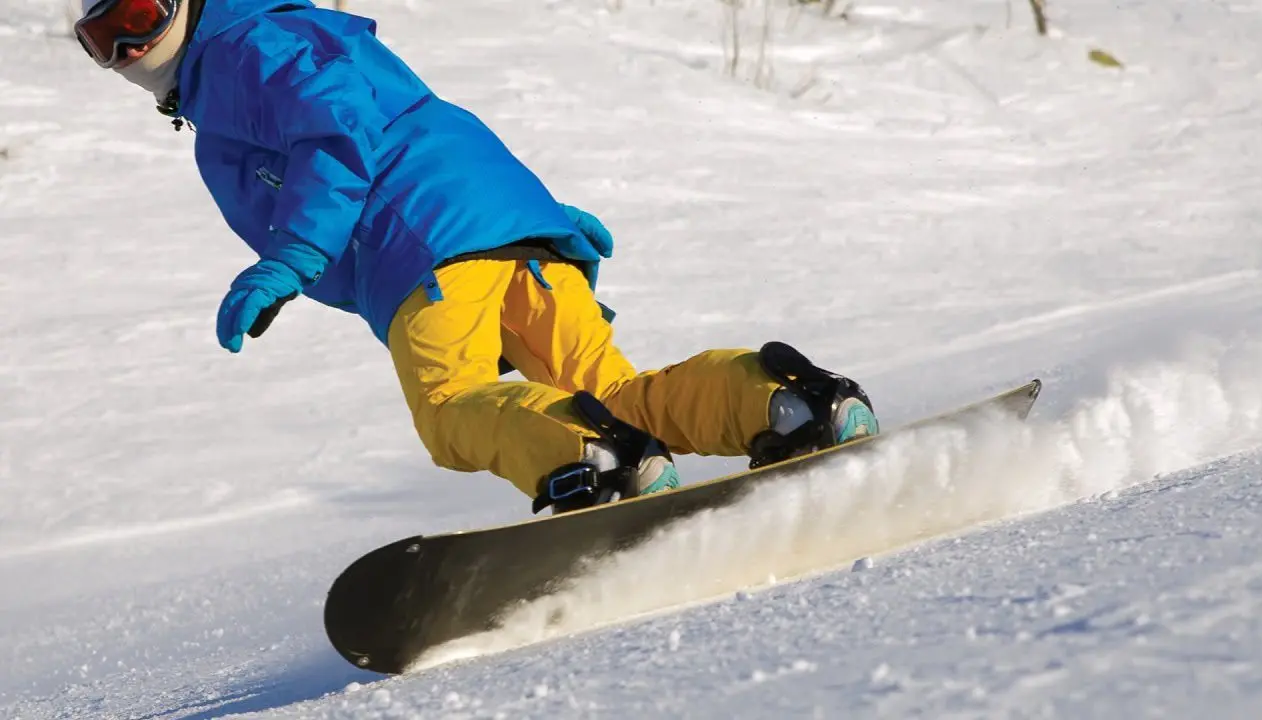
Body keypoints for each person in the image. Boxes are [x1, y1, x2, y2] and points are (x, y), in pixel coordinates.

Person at [73, 0, 881, 514]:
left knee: (452, 410)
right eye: (100, 38)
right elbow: (409, 124)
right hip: (504, 230)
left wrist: (290, 258)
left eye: (140, 14)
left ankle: (591, 461)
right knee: (610, 391)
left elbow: (338, 132)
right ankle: (787, 405)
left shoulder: (248, 46)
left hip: (425, 242)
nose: (127, 48)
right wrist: (536, 222)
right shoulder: (262, 54)